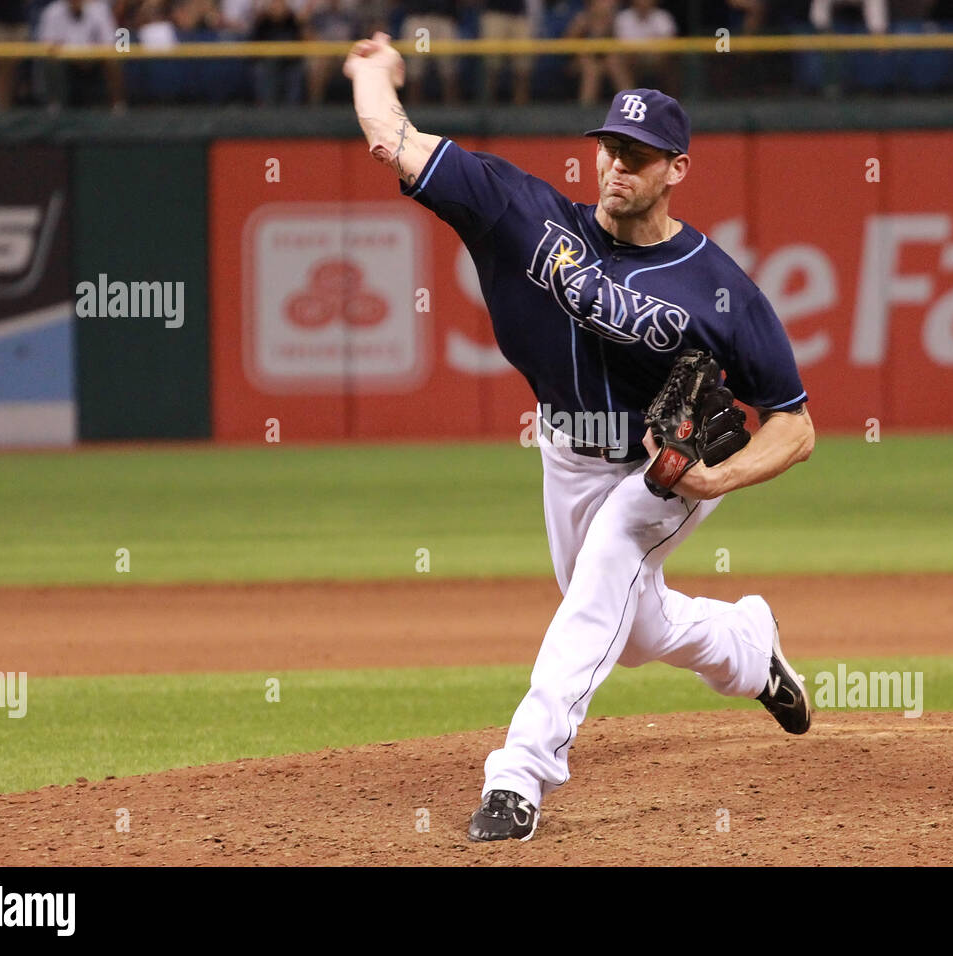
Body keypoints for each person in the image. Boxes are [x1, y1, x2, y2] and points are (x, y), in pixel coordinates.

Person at [345, 32, 816, 843]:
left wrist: (714, 479)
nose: (617, 166)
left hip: (661, 471)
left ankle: (519, 775)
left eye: (639, 155)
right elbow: (395, 138)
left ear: (676, 169)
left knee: (605, 574)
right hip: (565, 453)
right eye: (609, 148)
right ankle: (748, 645)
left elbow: (795, 424)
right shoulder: (519, 215)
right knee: (630, 629)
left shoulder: (720, 289)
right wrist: (371, 70)